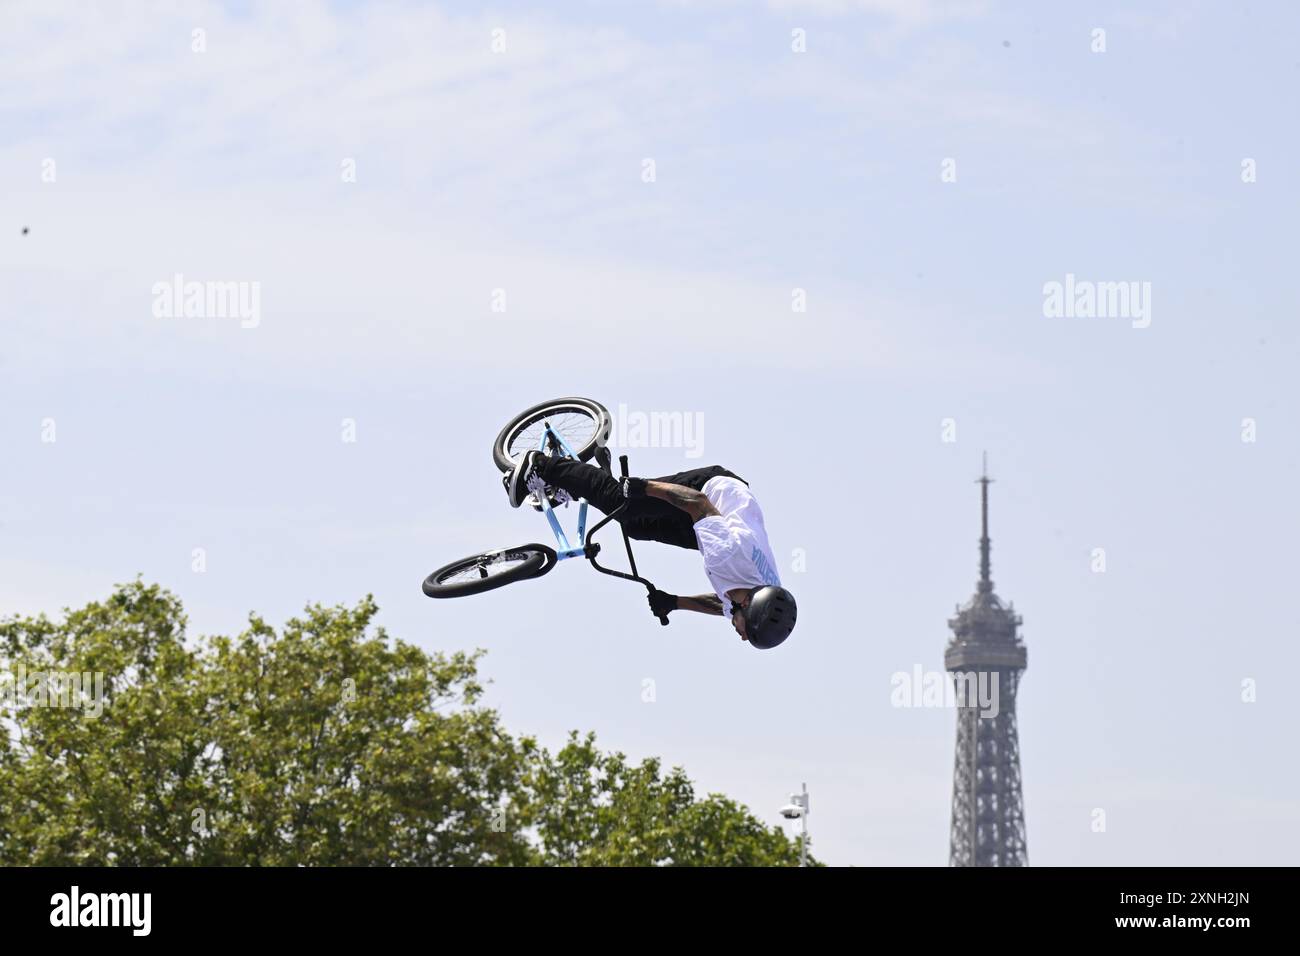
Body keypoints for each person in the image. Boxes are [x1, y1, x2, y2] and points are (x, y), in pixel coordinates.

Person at [504, 451, 797, 649]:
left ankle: (575, 482)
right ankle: (543, 465)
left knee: (637, 527)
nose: (743, 638)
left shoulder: (756, 595)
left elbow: (719, 602)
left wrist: (676, 602)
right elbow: (696, 503)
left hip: (721, 519)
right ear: (748, 606)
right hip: (711, 492)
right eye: (749, 633)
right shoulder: (728, 555)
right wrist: (645, 488)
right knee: (622, 504)